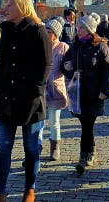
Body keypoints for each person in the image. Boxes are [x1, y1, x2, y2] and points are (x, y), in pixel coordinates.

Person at [0, 0, 52, 202]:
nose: (5, 8)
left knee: (31, 149)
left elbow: (46, 65)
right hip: (7, 98)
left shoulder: (38, 30)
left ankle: (29, 189)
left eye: (9, 5)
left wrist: (36, 91)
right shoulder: (6, 31)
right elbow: (0, 63)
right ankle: (0, 192)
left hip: (30, 101)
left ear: (21, 7)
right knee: (3, 148)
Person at [62, 13, 109, 175]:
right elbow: (64, 64)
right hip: (79, 92)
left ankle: (84, 156)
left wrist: (105, 90)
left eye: (82, 27)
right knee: (85, 124)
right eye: (78, 27)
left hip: (94, 92)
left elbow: (107, 70)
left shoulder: (101, 46)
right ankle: (90, 150)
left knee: (88, 124)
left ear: (90, 30)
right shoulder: (74, 46)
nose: (79, 30)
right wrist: (67, 67)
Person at [44, 18, 69, 161]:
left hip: (56, 89)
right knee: (38, 122)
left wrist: (68, 66)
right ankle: (37, 146)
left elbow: (68, 65)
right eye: (46, 31)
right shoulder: (40, 46)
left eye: (49, 31)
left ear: (56, 34)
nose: (47, 34)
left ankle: (55, 146)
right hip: (41, 88)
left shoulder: (63, 47)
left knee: (54, 120)